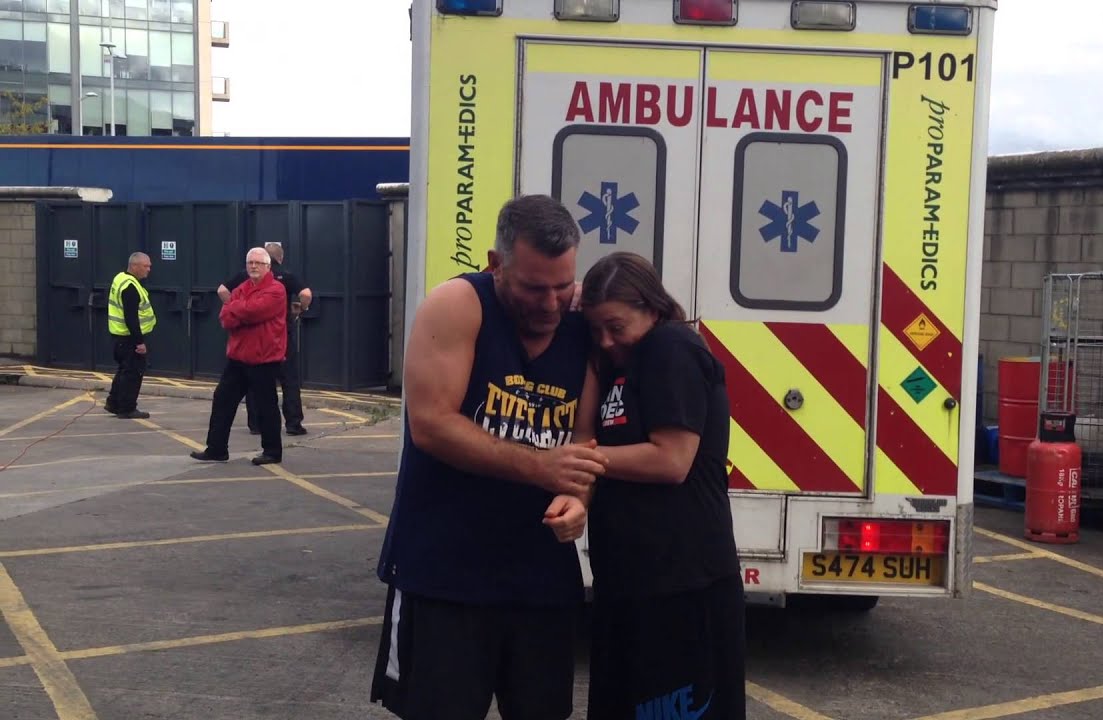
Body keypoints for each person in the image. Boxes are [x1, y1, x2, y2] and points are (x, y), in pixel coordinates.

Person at [370, 194, 607, 720]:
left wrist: (575, 495)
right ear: (495, 265)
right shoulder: (457, 304)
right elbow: (430, 424)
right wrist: (544, 467)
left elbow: (583, 441)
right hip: (445, 575)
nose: (550, 304)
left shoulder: (582, 322)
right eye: (533, 287)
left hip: (540, 580)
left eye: (562, 285)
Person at [575, 251, 746, 720]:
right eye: (595, 329)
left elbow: (672, 460)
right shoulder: (622, 360)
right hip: (630, 582)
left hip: (684, 583)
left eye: (616, 325)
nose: (606, 340)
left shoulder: (672, 348)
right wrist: (593, 351)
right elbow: (586, 431)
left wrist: (579, 462)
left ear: (652, 308)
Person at [191, 247, 288, 466]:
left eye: (258, 263)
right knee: (222, 400)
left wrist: (236, 308)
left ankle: (272, 451)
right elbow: (226, 319)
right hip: (238, 357)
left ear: (268, 267)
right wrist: (239, 310)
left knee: (266, 406)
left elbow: (256, 312)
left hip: (264, 358)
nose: (253, 266)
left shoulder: (276, 290)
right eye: (250, 263)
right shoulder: (242, 288)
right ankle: (216, 449)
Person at [218, 241, 312, 436]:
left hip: (248, 337)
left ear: (266, 261)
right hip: (280, 334)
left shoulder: (245, 277)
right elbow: (305, 293)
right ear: (279, 258)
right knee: (289, 381)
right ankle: (294, 423)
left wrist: (235, 309)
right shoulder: (286, 276)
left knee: (253, 383)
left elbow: (222, 290)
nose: (254, 266)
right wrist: (301, 308)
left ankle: (255, 424)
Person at [105, 252, 155, 420]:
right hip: (128, 338)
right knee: (133, 372)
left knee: (123, 371)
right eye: (145, 266)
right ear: (134, 266)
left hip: (119, 337)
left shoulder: (120, 278)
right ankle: (127, 408)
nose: (149, 269)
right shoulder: (130, 287)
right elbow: (131, 317)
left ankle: (113, 403)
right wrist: (139, 342)